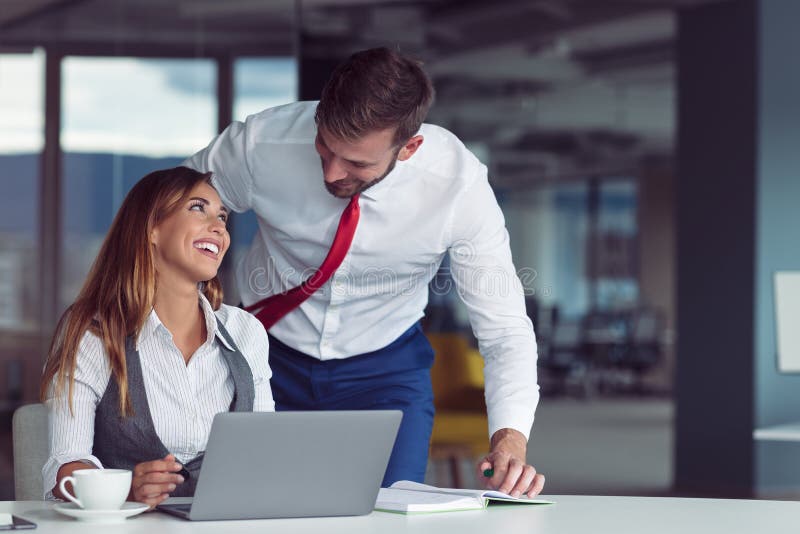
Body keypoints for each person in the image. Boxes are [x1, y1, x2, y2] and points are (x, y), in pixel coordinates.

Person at [185, 47, 544, 497]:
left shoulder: (457, 186)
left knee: (390, 515)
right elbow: (164, 214)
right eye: (324, 146)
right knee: (250, 508)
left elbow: (505, 329)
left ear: (409, 148)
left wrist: (509, 438)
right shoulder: (261, 144)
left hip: (386, 372)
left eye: (356, 163)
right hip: (264, 357)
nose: (333, 172)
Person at [40, 166, 274, 507]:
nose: (219, 228)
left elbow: (266, 450)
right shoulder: (92, 332)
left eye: (222, 217)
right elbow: (65, 465)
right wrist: (125, 492)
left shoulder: (245, 331)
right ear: (151, 228)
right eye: (198, 208)